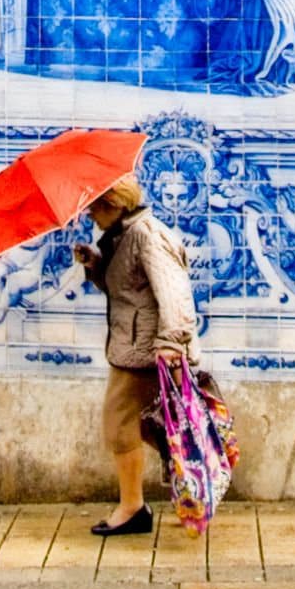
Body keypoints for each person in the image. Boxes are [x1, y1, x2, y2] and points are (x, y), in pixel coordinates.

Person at [72, 174, 200, 538]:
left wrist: (172, 342)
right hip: (137, 348)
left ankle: (132, 508)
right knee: (160, 428)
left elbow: (175, 293)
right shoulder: (123, 237)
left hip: (148, 353)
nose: (90, 215)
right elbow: (130, 291)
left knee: (119, 426)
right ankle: (191, 490)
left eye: (94, 207)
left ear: (113, 204)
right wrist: (95, 265)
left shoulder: (146, 235)